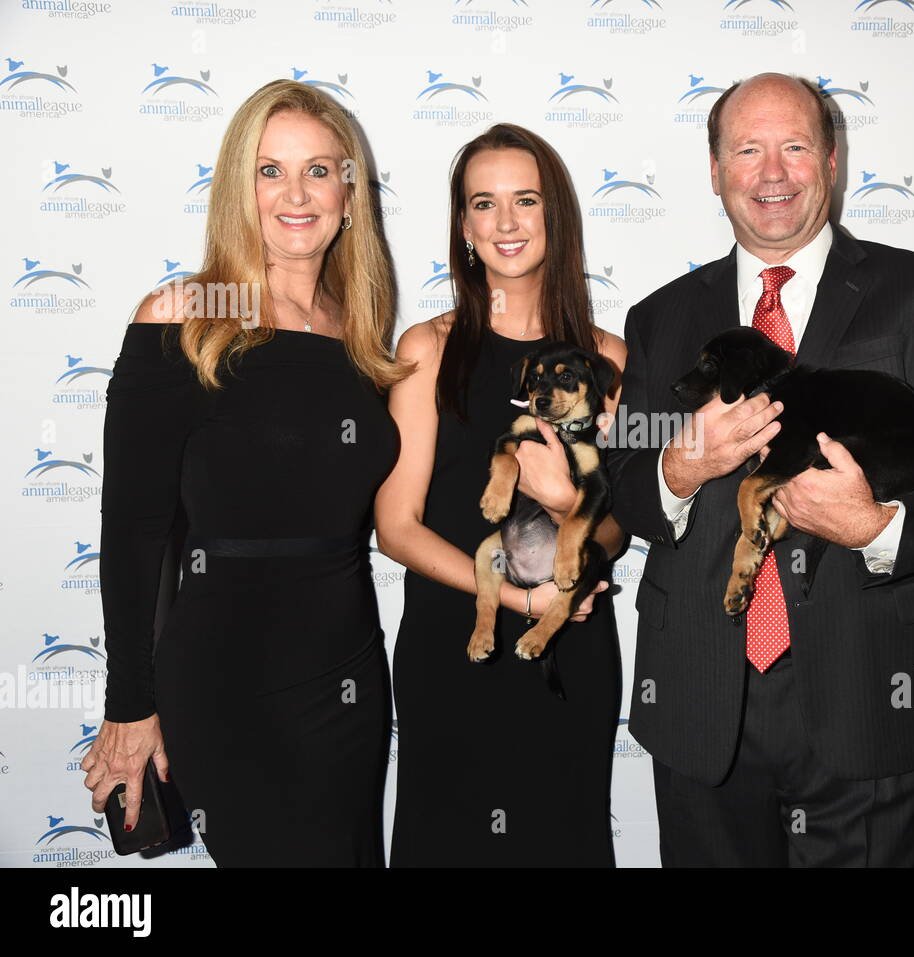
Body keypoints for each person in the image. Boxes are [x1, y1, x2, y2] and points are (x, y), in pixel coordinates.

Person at [606, 73, 914, 867]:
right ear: (715, 171)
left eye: (794, 147)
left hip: (873, 690)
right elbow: (624, 493)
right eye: (747, 150)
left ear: (831, 163)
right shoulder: (659, 317)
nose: (772, 173)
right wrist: (678, 469)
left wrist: (876, 526)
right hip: (702, 697)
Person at [80, 79, 409, 865]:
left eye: (319, 170)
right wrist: (130, 707)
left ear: (350, 195)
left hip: (348, 671)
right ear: (238, 189)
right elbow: (132, 531)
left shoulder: (360, 332)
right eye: (270, 171)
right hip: (229, 678)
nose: (296, 193)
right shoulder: (183, 315)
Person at [376, 123, 627, 867]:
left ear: (558, 216)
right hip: (453, 650)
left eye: (526, 200)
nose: (507, 222)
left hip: (570, 653)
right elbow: (396, 526)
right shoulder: (426, 348)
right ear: (463, 226)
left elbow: (622, 522)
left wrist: (570, 531)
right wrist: (520, 602)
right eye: (484, 204)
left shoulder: (609, 359)